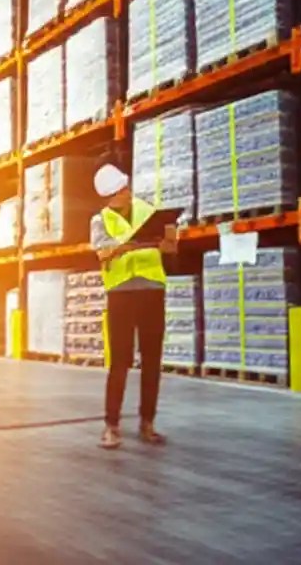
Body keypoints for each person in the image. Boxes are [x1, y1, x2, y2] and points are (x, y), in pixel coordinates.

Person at [90, 163, 177, 449]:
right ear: (109, 197)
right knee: (120, 360)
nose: (126, 193)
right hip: (121, 294)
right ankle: (111, 425)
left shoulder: (148, 211)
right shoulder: (99, 220)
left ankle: (147, 423)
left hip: (152, 290)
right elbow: (103, 253)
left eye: (126, 188)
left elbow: (171, 248)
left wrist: (167, 237)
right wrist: (132, 244)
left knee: (152, 359)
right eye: (119, 191)